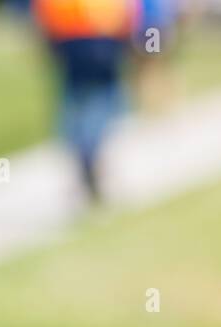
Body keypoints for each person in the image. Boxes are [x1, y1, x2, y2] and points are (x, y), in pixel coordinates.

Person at [32, 0, 134, 201]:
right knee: (103, 99)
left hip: (65, 33)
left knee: (76, 97)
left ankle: (82, 152)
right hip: (101, 31)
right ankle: (89, 154)